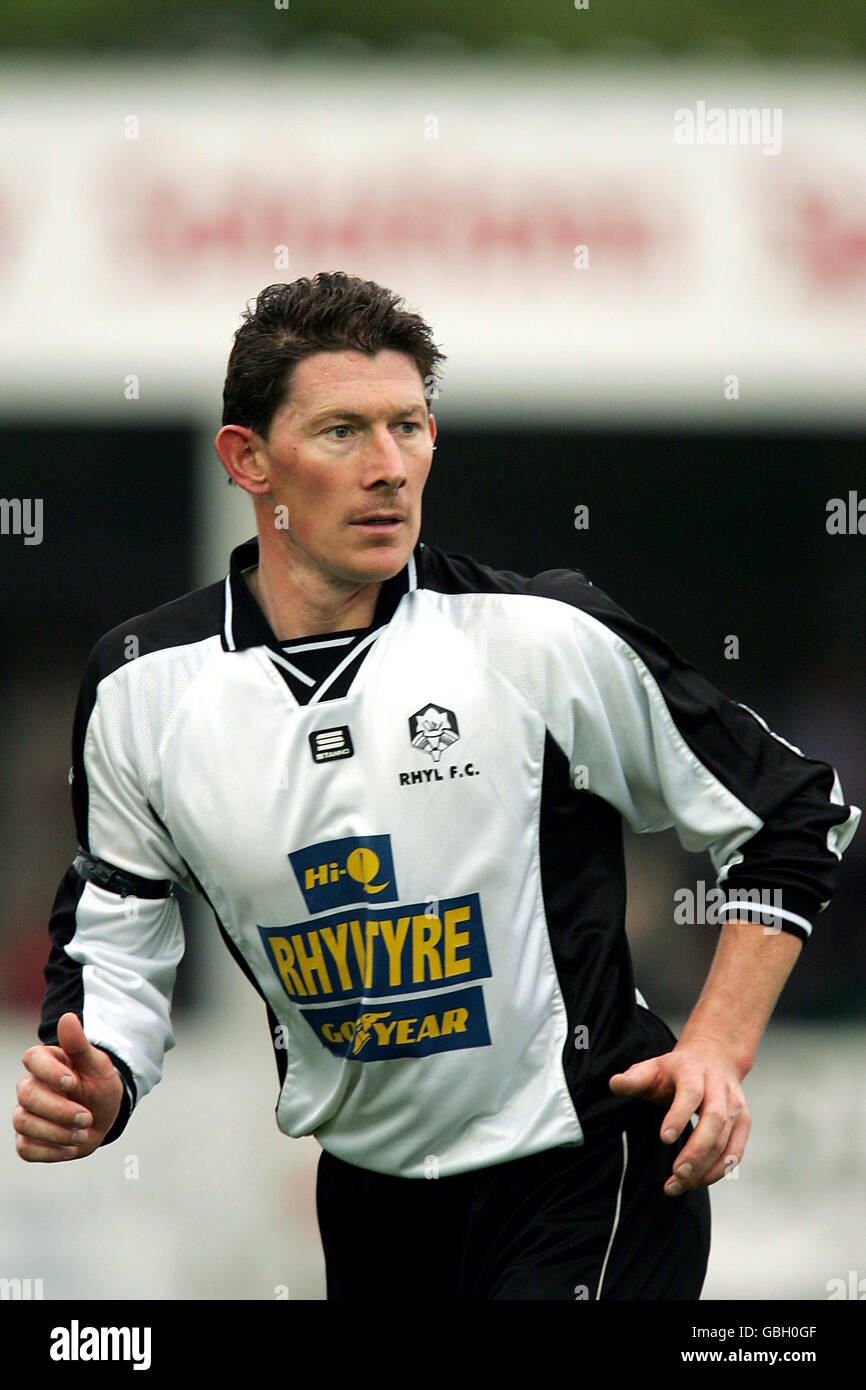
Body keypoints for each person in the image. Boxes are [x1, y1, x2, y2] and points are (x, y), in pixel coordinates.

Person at [14, 272, 859, 1301]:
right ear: (247, 459)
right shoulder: (142, 686)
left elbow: (786, 810)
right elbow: (119, 926)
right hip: (370, 1195)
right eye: (340, 432)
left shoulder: (539, 634)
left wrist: (716, 1050)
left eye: (408, 427)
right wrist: (102, 1072)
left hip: (587, 1169)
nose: (387, 469)